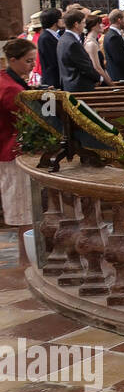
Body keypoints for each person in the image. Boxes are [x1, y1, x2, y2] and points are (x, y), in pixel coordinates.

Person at [0, 39, 37, 259]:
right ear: (12, 60)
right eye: (28, 61)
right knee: (25, 214)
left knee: (25, 214)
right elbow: (28, 120)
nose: (32, 66)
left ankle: (28, 259)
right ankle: (26, 262)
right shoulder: (10, 88)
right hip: (14, 153)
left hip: (10, 151)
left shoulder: (6, 79)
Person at [56, 9, 99, 92]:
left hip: (69, 85)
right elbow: (84, 66)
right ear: (76, 24)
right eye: (83, 22)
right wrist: (99, 78)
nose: (85, 25)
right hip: (79, 86)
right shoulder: (72, 42)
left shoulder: (63, 39)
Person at [103, 9, 124, 82]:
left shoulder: (114, 34)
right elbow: (120, 60)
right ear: (119, 20)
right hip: (120, 77)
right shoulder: (113, 37)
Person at [83, 13, 112, 86]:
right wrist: (110, 83)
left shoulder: (95, 41)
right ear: (94, 26)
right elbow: (96, 67)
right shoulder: (90, 44)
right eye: (100, 23)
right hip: (99, 81)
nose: (103, 25)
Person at [37, 8, 62, 90]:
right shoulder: (46, 37)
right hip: (52, 80)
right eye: (61, 18)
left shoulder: (54, 35)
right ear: (55, 21)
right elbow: (52, 60)